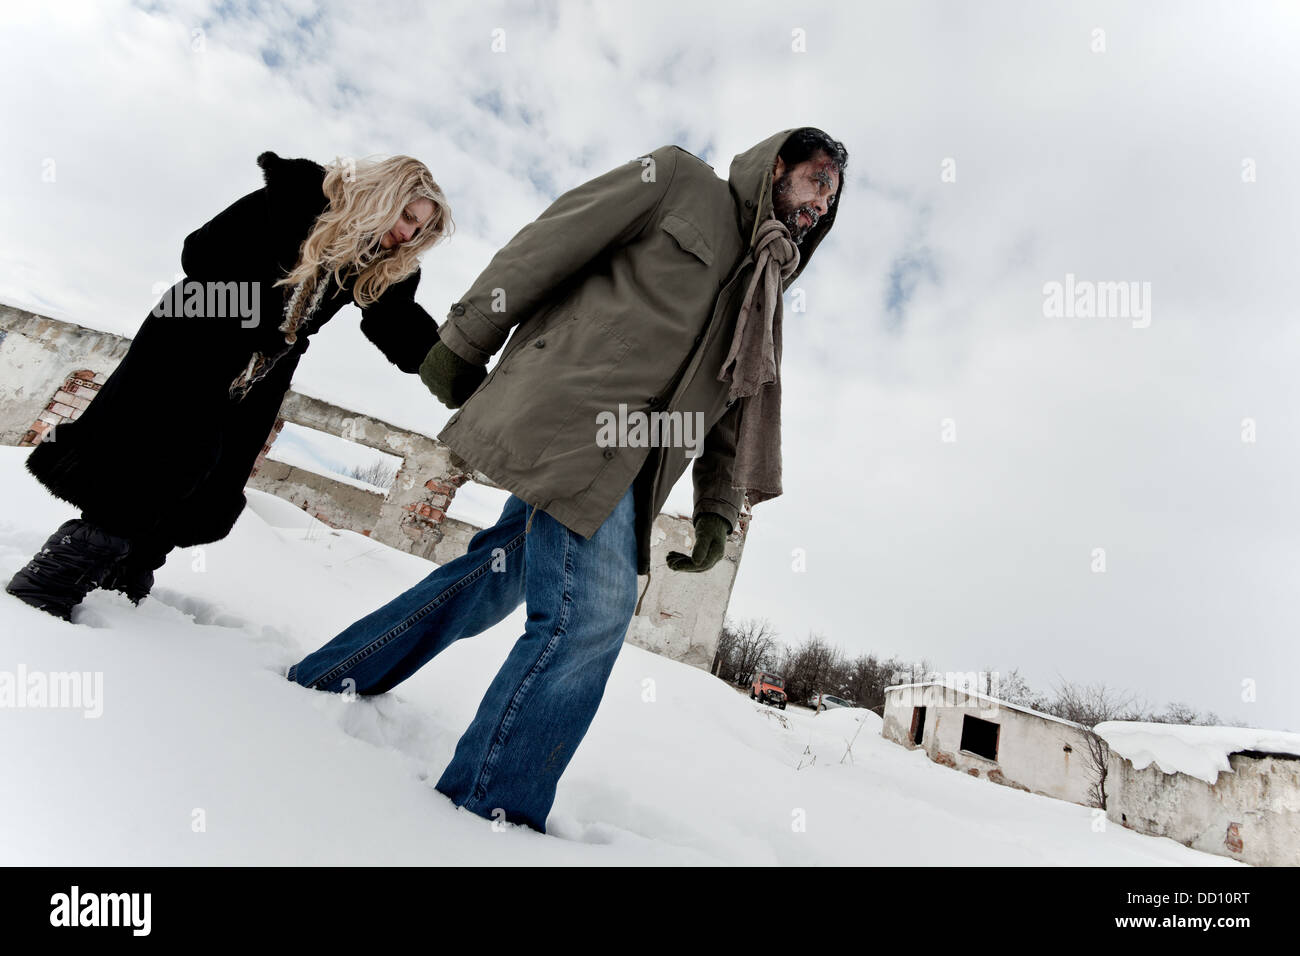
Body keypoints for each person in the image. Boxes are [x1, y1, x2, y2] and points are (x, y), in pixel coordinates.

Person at [288, 127, 847, 833]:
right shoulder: (676, 180)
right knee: (589, 617)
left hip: (637, 461)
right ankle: (489, 810)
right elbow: (553, 240)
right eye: (817, 180)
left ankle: (332, 672)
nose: (823, 202)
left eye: (833, 195)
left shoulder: (768, 281)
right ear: (778, 167)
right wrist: (466, 336)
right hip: (577, 419)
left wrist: (716, 507)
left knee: (489, 578)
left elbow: (736, 400)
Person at [7, 151, 453, 621]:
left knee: (218, 470)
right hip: (198, 329)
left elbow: (398, 323)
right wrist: (257, 314)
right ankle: (51, 582)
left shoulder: (379, 261)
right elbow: (201, 251)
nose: (408, 234)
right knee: (160, 452)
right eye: (407, 217)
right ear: (383, 195)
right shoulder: (297, 198)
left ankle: (128, 574)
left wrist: (451, 367)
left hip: (266, 363)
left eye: (420, 231)